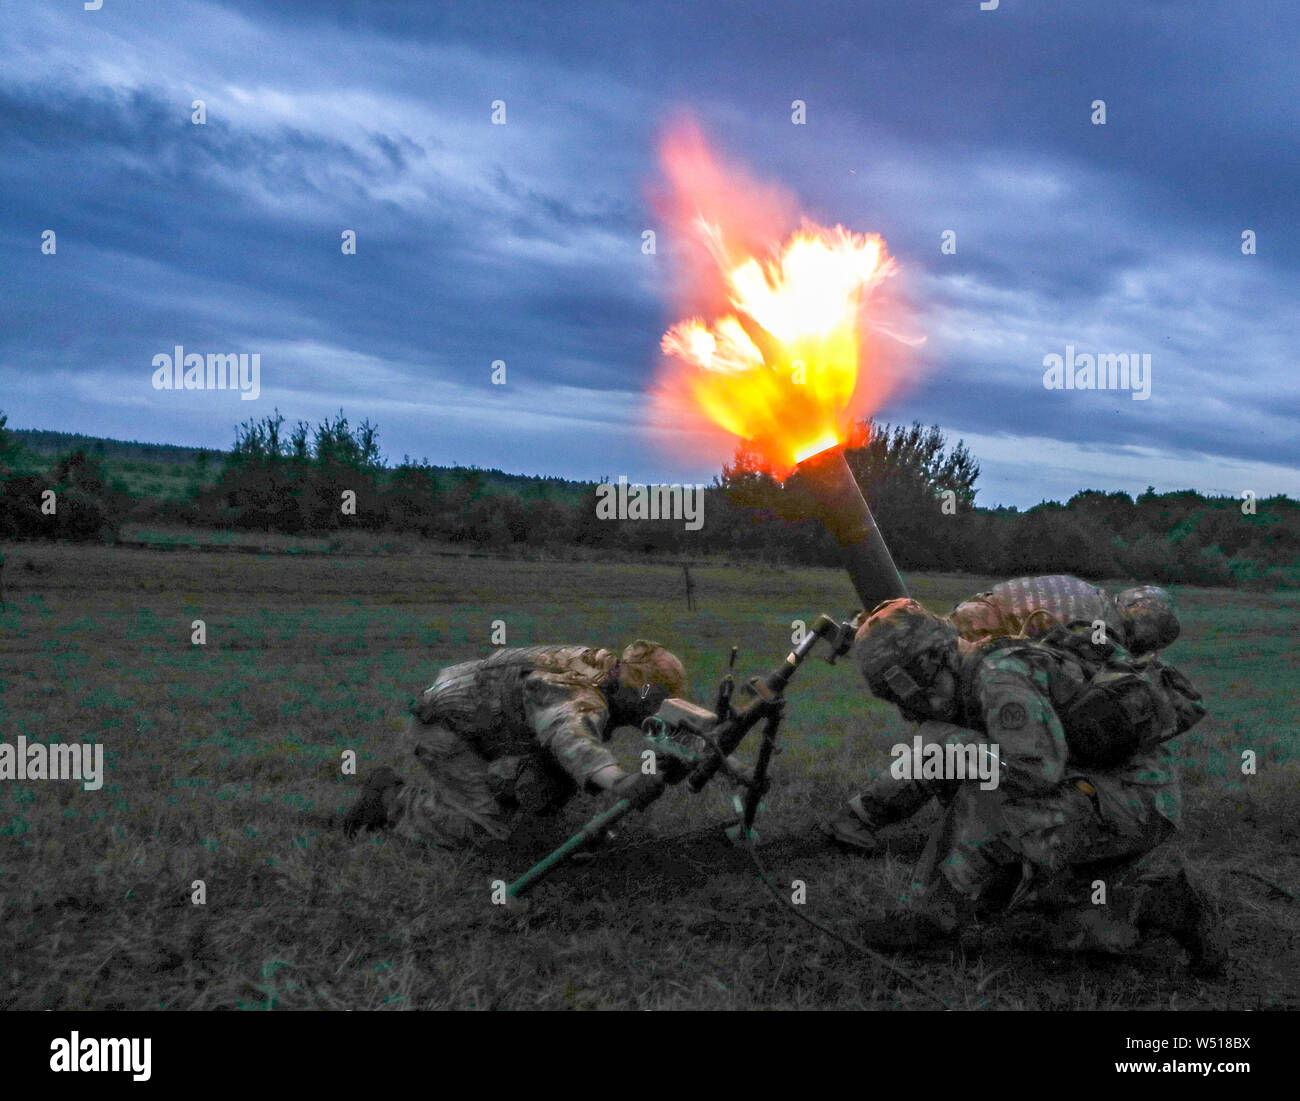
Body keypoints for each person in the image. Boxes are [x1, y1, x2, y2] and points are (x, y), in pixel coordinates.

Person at [846, 599, 1224, 974]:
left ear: (933, 661)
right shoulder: (968, 678)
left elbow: (1035, 771)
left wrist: (961, 747)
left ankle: (934, 921)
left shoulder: (998, 677)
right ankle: (1159, 904)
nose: (908, 707)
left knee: (986, 795)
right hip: (1098, 790)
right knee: (1041, 929)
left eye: (907, 692)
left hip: (1133, 796)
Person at [823, 576, 1181, 852]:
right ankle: (869, 815)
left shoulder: (1083, 594)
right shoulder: (1105, 631)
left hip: (982, 649)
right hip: (1002, 670)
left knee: (952, 744)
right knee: (954, 746)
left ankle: (870, 816)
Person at [343, 641, 686, 846]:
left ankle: (511, 789)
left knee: (549, 780)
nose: (653, 712)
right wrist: (619, 781)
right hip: (446, 730)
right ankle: (390, 800)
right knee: (484, 829)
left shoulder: (606, 667)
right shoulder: (578, 695)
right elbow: (570, 735)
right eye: (651, 703)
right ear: (633, 687)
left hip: (486, 721)